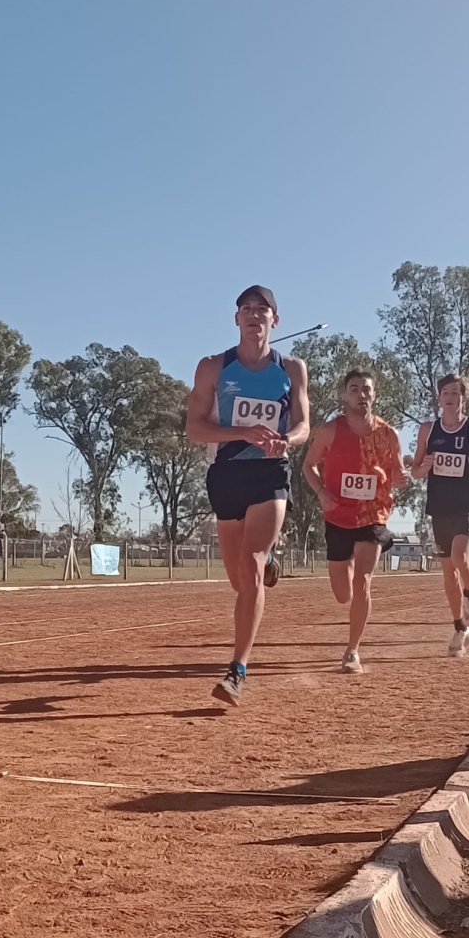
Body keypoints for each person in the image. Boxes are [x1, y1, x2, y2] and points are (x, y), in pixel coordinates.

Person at [186, 285, 310, 705]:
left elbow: (304, 423)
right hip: (227, 474)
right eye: (246, 309)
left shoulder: (292, 369)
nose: (254, 315)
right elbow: (194, 429)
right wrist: (242, 433)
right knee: (240, 580)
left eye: (263, 310)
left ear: (276, 320)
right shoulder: (212, 368)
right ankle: (270, 559)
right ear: (236, 319)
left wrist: (287, 440)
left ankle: (237, 669)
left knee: (252, 567)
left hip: (269, 473)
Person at [302, 368, 409, 673]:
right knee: (342, 594)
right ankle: (345, 567)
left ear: (374, 394)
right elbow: (309, 467)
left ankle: (352, 652)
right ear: (344, 395)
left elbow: (398, 474)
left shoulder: (389, 434)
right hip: (337, 514)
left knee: (363, 580)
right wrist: (322, 493)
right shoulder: (329, 431)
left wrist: (401, 479)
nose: (361, 395)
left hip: (372, 515)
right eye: (354, 389)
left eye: (366, 389)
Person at [411, 374, 469, 658]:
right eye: (445, 392)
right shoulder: (428, 429)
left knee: (461, 558)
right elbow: (416, 471)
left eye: (455, 392)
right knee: (448, 571)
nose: (449, 397)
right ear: (439, 398)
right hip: (439, 506)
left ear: (464, 397)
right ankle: (461, 629)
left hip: (466, 505)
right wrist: (425, 466)